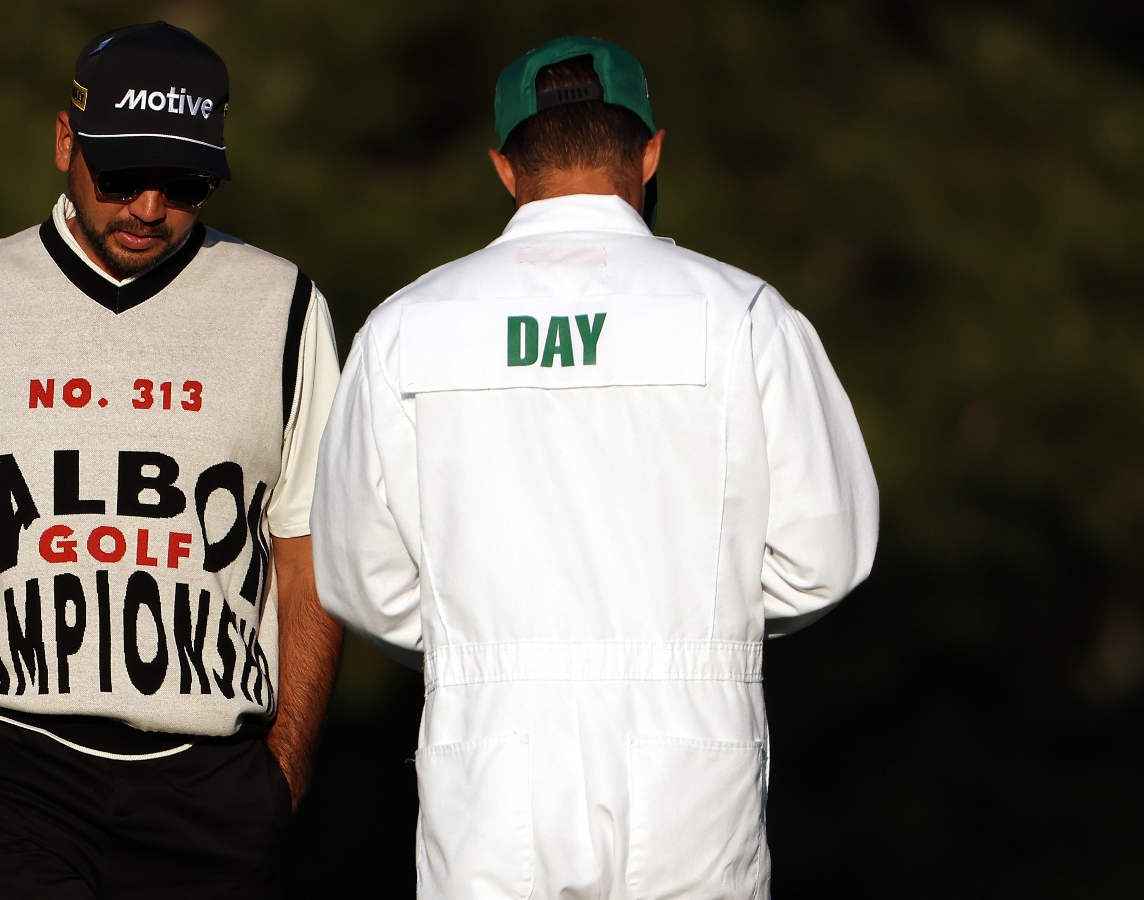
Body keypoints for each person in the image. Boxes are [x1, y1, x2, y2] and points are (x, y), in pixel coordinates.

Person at [311, 35, 878, 900]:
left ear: (504, 169)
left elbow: (359, 577)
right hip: (692, 749)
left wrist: (484, 639)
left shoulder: (404, 327)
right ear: (649, 153)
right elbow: (825, 556)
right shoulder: (743, 314)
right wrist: (697, 625)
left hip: (488, 751)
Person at [0, 21, 343, 899]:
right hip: (2, 766)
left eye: (184, 184)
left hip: (210, 785)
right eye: (122, 176)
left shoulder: (284, 306)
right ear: (66, 143)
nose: (149, 208)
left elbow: (308, 554)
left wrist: (285, 764)